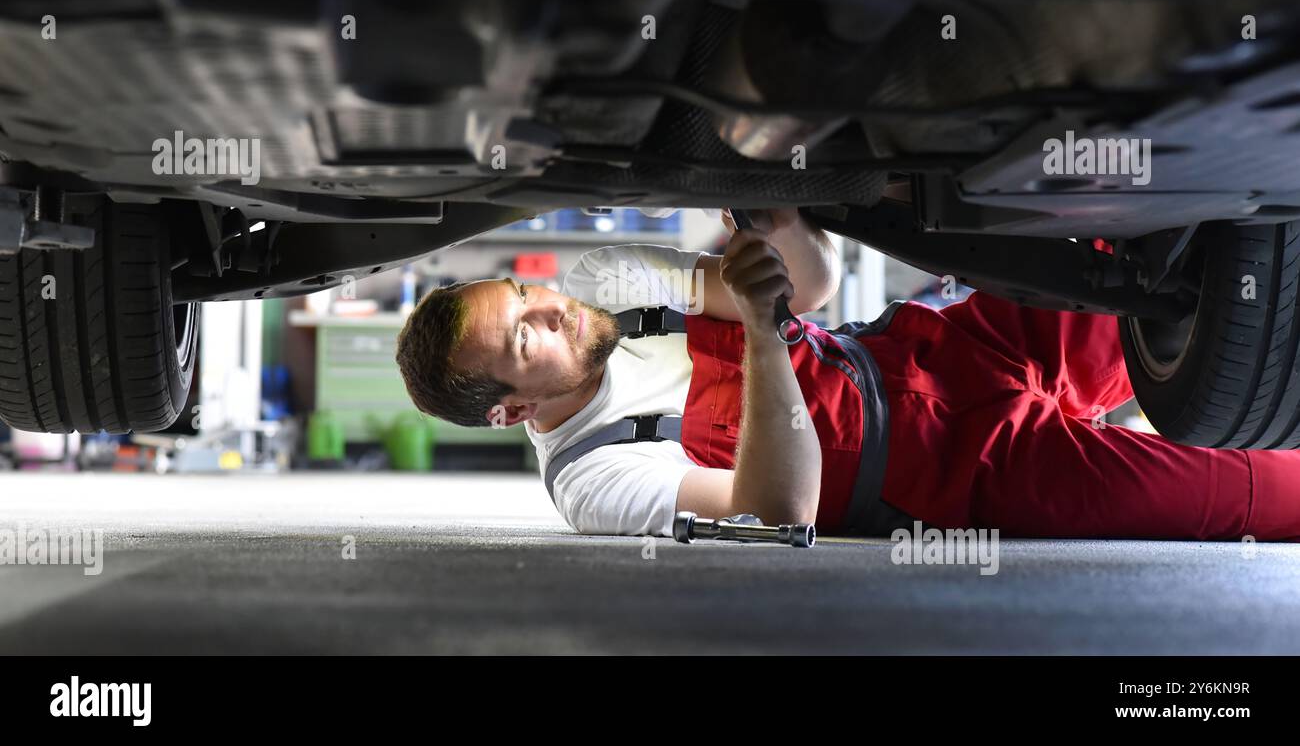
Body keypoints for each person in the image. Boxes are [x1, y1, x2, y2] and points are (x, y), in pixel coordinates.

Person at [395, 208, 1300, 541]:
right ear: (514, 407)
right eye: (523, 337)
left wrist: (774, 217)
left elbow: (809, 283)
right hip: (952, 474)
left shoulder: (607, 280)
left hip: (934, 348)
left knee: (1163, 273)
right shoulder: (593, 479)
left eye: (523, 291)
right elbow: (775, 511)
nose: (548, 306)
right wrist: (755, 330)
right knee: (1251, 494)